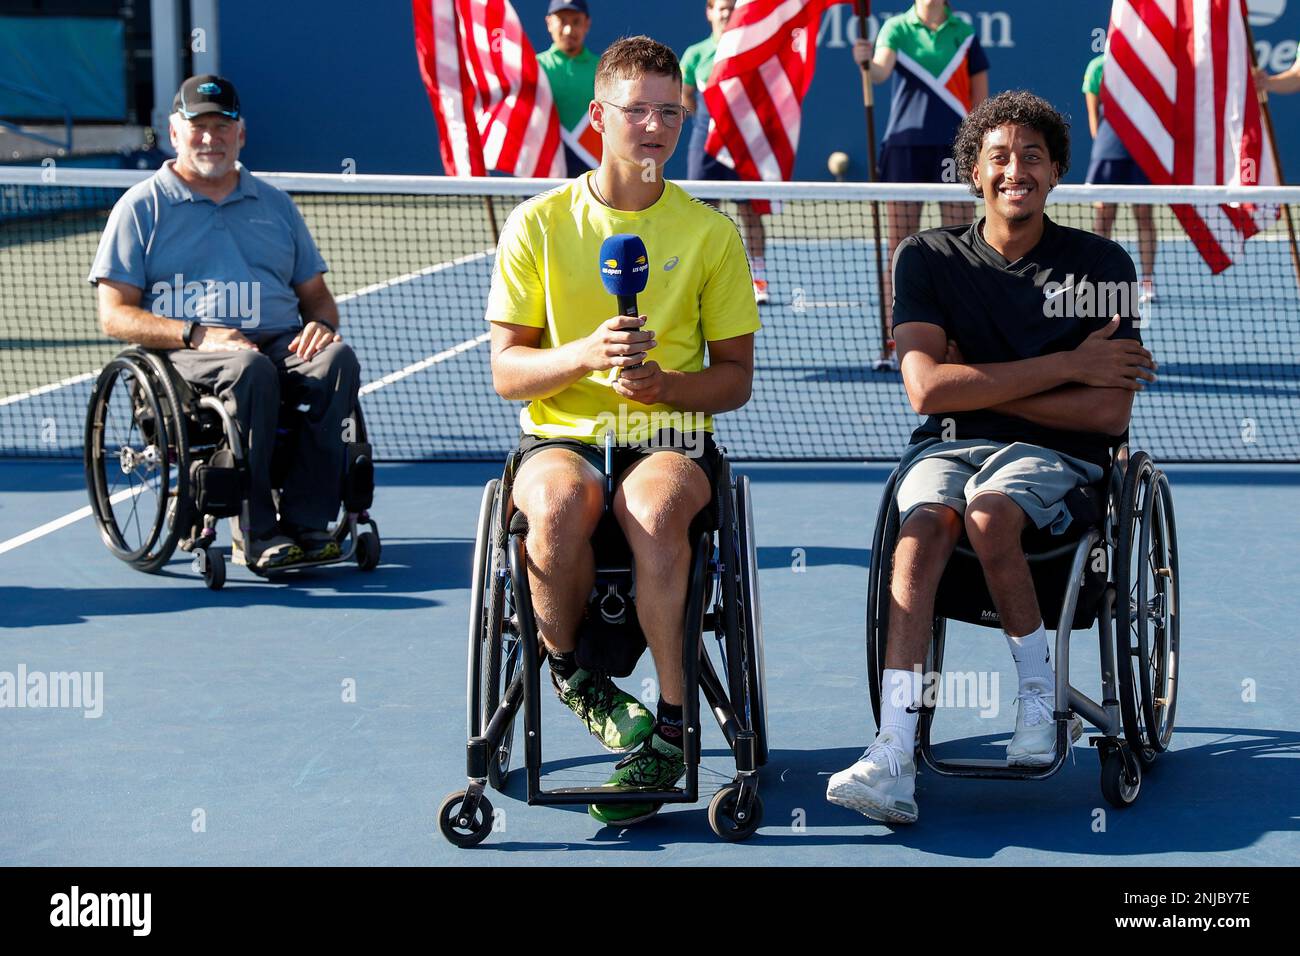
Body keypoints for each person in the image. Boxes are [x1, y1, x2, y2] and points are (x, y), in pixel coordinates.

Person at [826, 91, 1157, 824]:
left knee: (989, 512)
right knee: (920, 531)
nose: (1017, 170)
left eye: (1033, 156)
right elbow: (924, 390)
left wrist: (974, 387)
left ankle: (1040, 702)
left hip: (1061, 458)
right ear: (973, 171)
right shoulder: (925, 256)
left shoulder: (1101, 262)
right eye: (999, 156)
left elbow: (1107, 413)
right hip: (946, 444)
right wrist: (1068, 366)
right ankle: (891, 752)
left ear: (1057, 170)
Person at [486, 36, 760, 827]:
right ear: (597, 115)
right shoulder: (537, 224)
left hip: (671, 433)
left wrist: (665, 384)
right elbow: (508, 373)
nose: (654, 127)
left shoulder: (711, 234)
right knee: (561, 504)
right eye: (636, 109)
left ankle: (673, 726)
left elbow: (735, 380)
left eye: (669, 112)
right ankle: (572, 675)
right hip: (561, 437)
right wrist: (584, 356)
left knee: (655, 509)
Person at [88, 75, 359, 571]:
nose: (209, 137)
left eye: (221, 125)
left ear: (241, 134)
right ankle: (256, 531)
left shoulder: (276, 205)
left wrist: (321, 324)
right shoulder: (140, 208)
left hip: (277, 342)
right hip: (188, 357)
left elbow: (317, 298)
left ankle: (307, 521)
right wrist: (196, 333)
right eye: (198, 127)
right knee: (247, 370)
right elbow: (114, 315)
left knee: (335, 359)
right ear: (174, 133)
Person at [853, 0, 989, 367]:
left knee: (962, 244)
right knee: (900, 245)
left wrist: (977, 147)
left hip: (954, 146)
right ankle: (893, 339)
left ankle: (958, 336)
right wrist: (867, 61)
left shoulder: (964, 32)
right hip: (904, 148)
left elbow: (980, 99)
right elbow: (880, 72)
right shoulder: (896, 28)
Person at [680, 0, 770, 305]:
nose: (726, 12)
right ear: (709, 11)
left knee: (750, 211)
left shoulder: (750, 49)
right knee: (702, 213)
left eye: (731, 6)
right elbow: (686, 96)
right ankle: (701, 278)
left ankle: (758, 280)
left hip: (743, 143)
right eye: (720, 7)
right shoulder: (695, 54)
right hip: (704, 145)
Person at [1082, 52, 1156, 304]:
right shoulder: (1097, 68)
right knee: (1104, 216)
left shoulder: (1148, 64)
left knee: (1144, 214)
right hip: (1108, 153)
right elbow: (1094, 118)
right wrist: (1107, 144)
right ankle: (1100, 279)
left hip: (1141, 152)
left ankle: (1147, 281)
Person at [537, 0, 602, 177]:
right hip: (544, 170)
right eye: (562, 21)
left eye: (575, 22)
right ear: (549, 23)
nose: (568, 30)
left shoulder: (603, 69)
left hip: (590, 171)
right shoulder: (533, 67)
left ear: (587, 24)